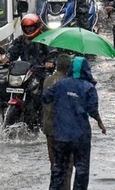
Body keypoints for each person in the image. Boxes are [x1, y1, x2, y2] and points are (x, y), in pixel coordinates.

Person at [42, 56, 107, 190]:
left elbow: (46, 97)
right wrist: (100, 122)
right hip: (80, 136)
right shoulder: (89, 87)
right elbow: (92, 109)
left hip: (61, 134)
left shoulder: (60, 84)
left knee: (58, 168)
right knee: (81, 170)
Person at [42, 54, 74, 190]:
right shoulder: (70, 83)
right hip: (65, 130)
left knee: (54, 164)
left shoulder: (48, 81)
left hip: (49, 127)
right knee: (67, 166)